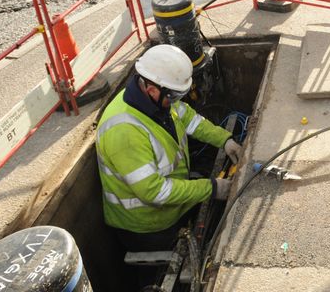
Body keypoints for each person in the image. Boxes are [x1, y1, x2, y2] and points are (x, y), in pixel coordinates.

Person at [96, 44, 242, 252]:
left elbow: (190, 119)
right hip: (147, 226)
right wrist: (212, 188)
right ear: (153, 89)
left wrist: (224, 140)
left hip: (170, 208)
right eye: (173, 97)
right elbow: (154, 192)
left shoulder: (153, 98)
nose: (176, 102)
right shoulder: (124, 132)